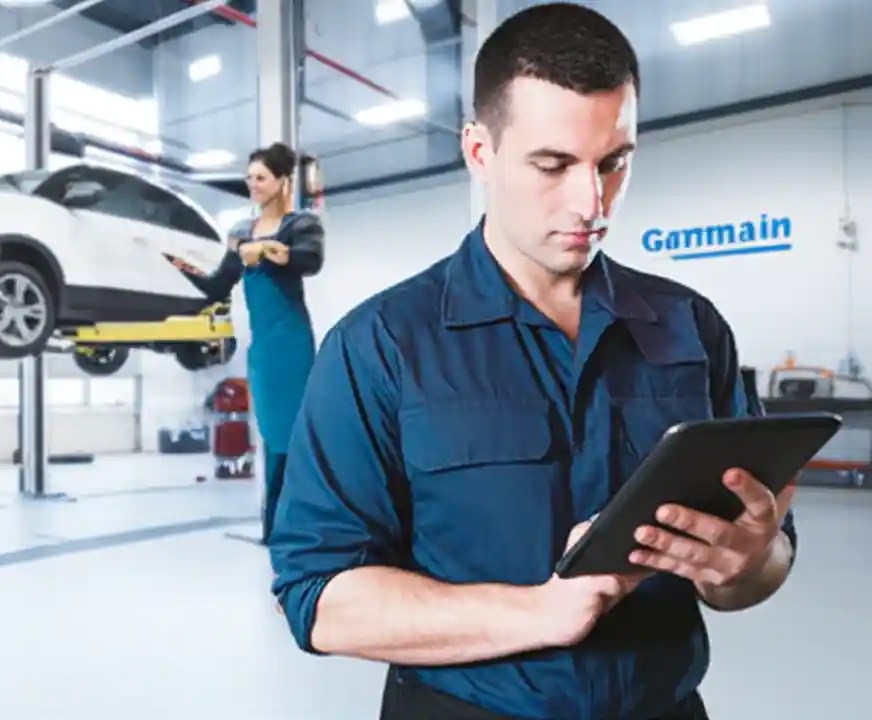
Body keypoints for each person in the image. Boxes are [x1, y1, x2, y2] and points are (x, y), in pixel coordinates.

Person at [267, 4, 797, 719]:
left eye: (615, 162)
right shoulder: (382, 344)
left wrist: (749, 564)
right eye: (553, 165)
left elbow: (752, 571)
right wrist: (537, 613)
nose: (591, 201)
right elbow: (320, 598)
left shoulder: (690, 326)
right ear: (480, 153)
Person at [171, 142, 325, 544]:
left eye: (260, 178)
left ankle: (295, 525)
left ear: (281, 182)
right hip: (262, 351)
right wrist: (186, 270)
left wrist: (269, 251)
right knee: (273, 437)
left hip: (292, 343)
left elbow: (311, 260)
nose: (252, 184)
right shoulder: (240, 233)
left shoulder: (301, 225)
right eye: (249, 178)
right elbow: (218, 284)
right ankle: (277, 526)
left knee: (294, 435)